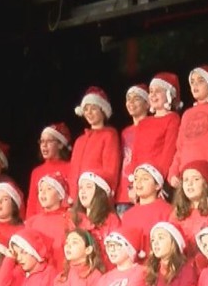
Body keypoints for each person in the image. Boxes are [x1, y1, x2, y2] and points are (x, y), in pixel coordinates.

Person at [169, 65, 208, 189]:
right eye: (192, 82)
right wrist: (173, 172)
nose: (195, 85)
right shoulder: (187, 114)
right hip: (187, 177)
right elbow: (180, 148)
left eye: (200, 81)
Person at [169, 159, 208, 262]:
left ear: (206, 184)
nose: (189, 183)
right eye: (186, 180)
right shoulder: (176, 213)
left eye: (196, 179)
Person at [132, 74, 184, 197]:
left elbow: (169, 152)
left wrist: (158, 180)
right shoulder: (144, 122)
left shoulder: (172, 118)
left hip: (159, 182)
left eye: (158, 91)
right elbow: (135, 153)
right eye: (151, 91)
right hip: (141, 182)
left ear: (168, 95)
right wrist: (134, 180)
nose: (153, 95)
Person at [70, 86, 123, 204]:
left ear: (103, 111)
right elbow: (73, 171)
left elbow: (111, 168)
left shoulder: (109, 134)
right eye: (86, 109)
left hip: (97, 195)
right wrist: (72, 196)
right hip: (79, 197)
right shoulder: (80, 140)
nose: (89, 112)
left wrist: (108, 193)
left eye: (93, 108)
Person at [27, 123, 73, 220]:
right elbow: (32, 202)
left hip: (61, 221)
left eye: (49, 141)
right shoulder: (36, 172)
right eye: (42, 141)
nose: (44, 145)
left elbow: (72, 197)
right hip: (40, 222)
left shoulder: (70, 168)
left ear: (60, 144)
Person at [117, 84, 151, 212]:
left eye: (136, 99)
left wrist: (136, 186)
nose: (131, 102)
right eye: (128, 99)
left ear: (147, 104)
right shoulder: (125, 132)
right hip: (123, 195)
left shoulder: (153, 127)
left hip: (143, 191)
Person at [68, 171, 121, 251]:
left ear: (100, 192)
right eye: (81, 187)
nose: (83, 191)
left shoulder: (111, 220)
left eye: (88, 187)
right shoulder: (73, 218)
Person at [24, 171, 71, 263]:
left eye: (49, 189)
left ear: (60, 195)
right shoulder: (32, 222)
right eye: (40, 190)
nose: (43, 193)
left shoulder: (69, 219)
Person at [120, 163, 174, 236]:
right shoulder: (127, 215)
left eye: (145, 179)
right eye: (136, 179)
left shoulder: (168, 211)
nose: (138, 182)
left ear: (157, 185)